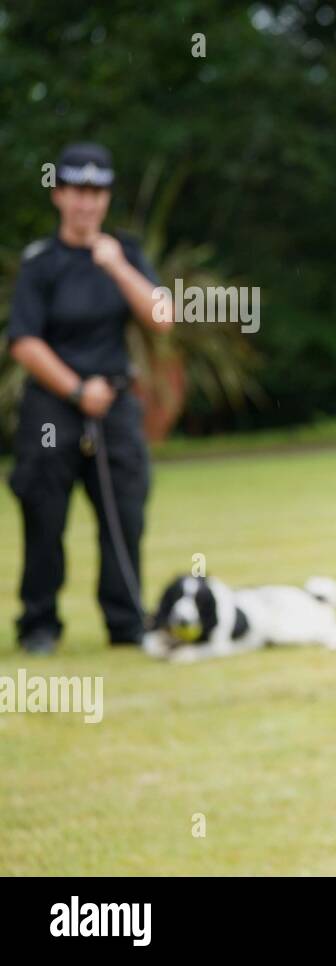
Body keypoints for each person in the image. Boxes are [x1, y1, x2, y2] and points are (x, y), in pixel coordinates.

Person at [6, 142, 174, 654]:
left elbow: (163, 318)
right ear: (59, 195)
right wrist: (78, 390)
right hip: (55, 406)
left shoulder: (123, 252)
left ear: (106, 198)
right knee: (43, 512)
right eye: (78, 191)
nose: (87, 203)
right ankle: (39, 623)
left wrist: (117, 266)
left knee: (125, 512)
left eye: (97, 192)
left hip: (116, 403)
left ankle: (126, 622)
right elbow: (24, 342)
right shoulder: (41, 263)